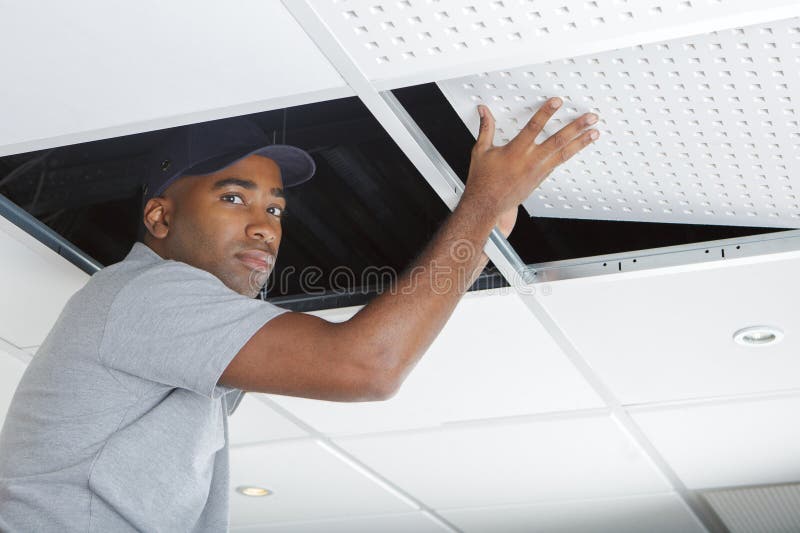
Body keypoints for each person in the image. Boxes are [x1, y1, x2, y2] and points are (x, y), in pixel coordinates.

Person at [0, 97, 598, 532]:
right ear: (159, 219)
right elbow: (369, 364)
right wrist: (482, 202)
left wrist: (484, 227)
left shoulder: (175, 326)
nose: (265, 225)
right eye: (233, 198)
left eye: (276, 209)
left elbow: (374, 353)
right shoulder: (146, 295)